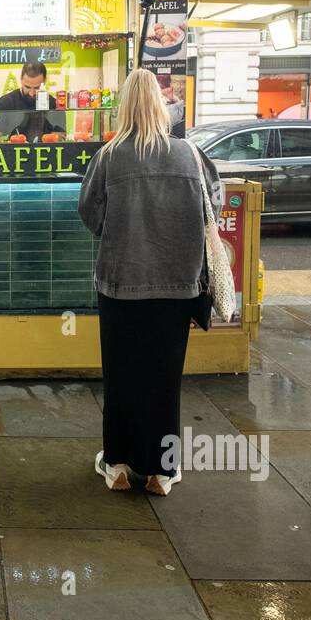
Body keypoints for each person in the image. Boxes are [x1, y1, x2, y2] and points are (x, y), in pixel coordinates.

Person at [78, 68, 222, 497]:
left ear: (123, 107)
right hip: (177, 285)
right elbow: (213, 204)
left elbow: (91, 216)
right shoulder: (190, 155)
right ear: (163, 108)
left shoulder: (109, 156)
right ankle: (161, 472)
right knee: (164, 378)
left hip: (121, 284)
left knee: (122, 375)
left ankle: (119, 465)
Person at [0, 61, 66, 141]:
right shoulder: (5, 103)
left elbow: (60, 137)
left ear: (45, 81)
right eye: (27, 87)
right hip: (11, 152)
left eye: (36, 88)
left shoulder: (54, 104)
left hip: (46, 152)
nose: (31, 93)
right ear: (21, 80)